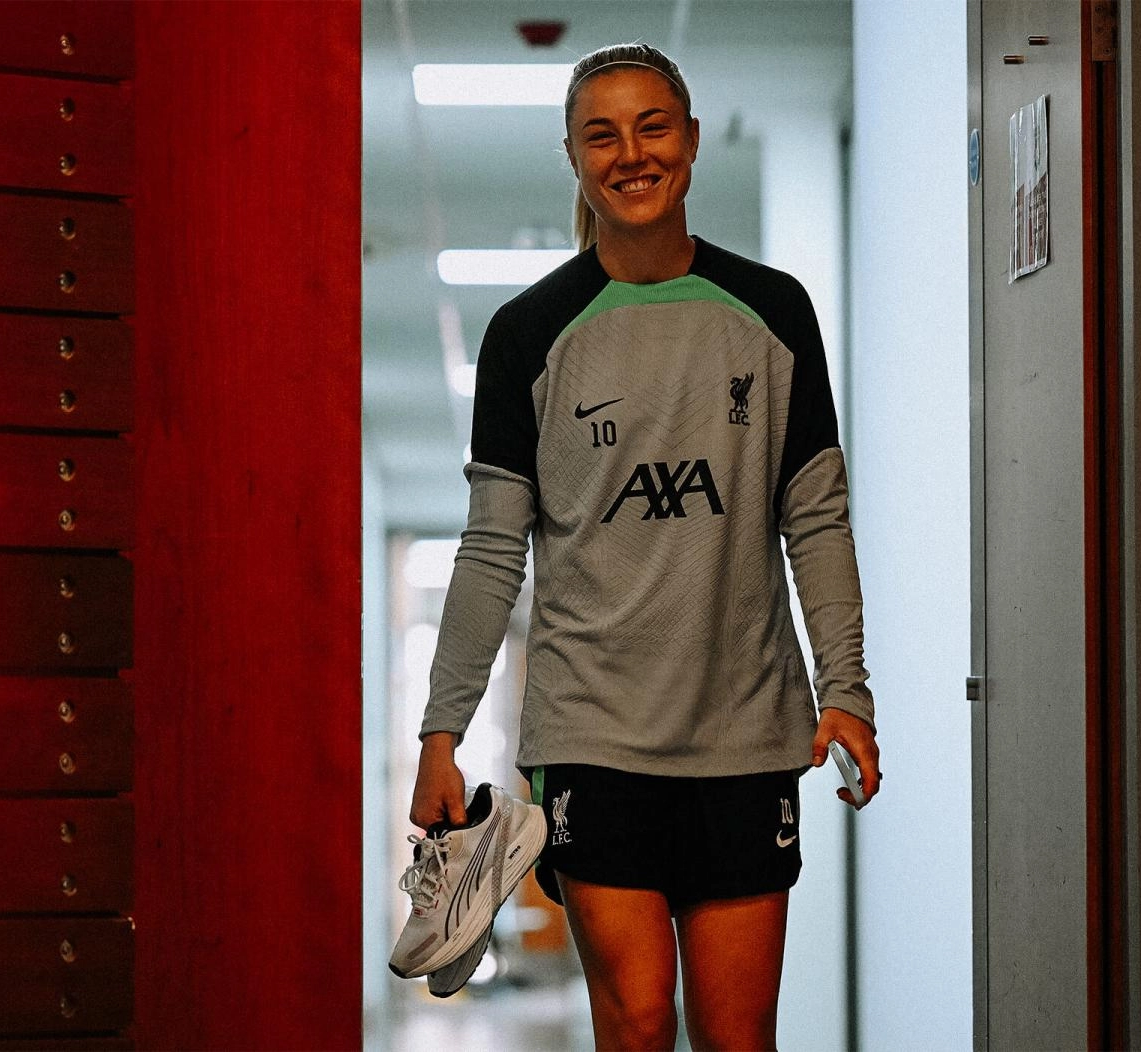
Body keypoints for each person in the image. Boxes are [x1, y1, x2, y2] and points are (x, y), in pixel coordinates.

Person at [408, 41, 881, 1051]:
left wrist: (847, 685)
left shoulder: (774, 312)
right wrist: (442, 731)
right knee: (633, 1021)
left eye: (653, 126)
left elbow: (817, 517)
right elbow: (493, 547)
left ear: (693, 143)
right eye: (601, 133)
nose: (630, 152)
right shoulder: (529, 333)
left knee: (739, 1033)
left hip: (746, 733)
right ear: (575, 159)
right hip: (594, 736)